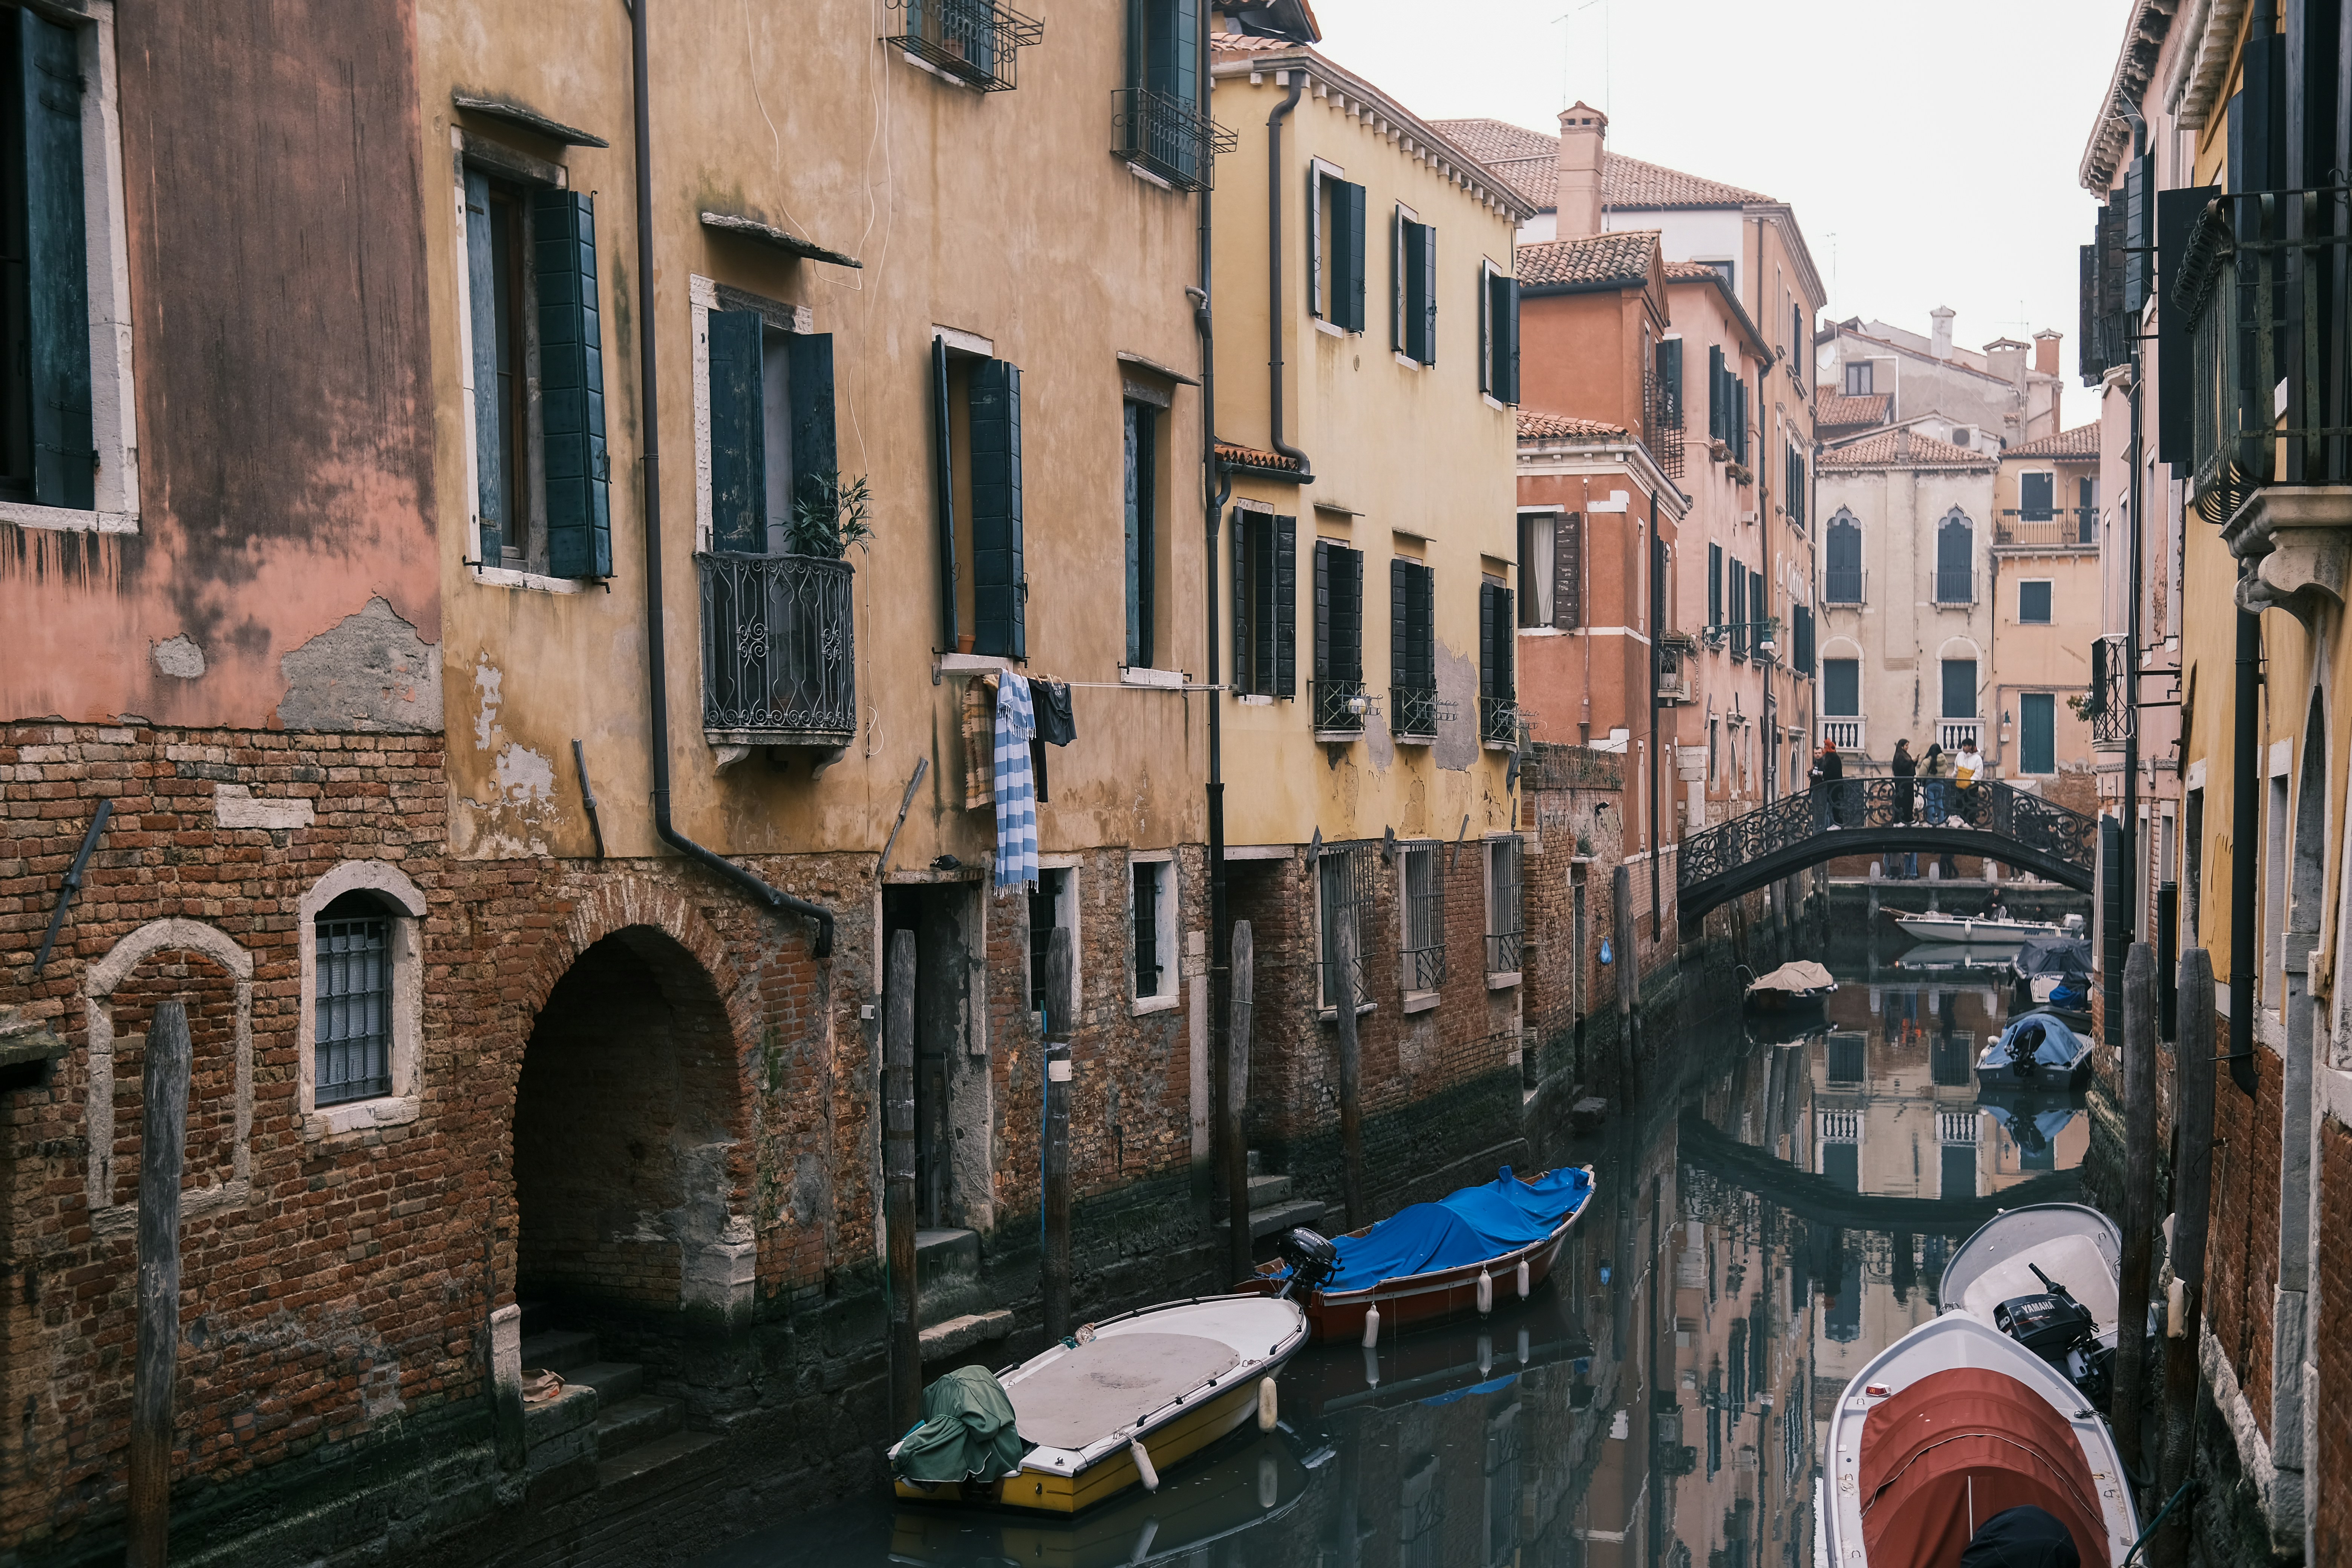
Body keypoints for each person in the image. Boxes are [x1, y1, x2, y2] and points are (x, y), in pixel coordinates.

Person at [1890, 739, 1919, 877]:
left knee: (1909, 801)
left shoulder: (1904, 755)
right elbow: (1902, 766)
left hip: (1908, 783)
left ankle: (1908, 818)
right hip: (1902, 784)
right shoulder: (1899, 756)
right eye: (1907, 745)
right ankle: (1899, 820)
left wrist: (1914, 761)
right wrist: (1912, 761)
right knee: (1902, 801)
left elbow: (1909, 766)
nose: (1908, 747)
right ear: (1902, 746)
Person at [1810, 738, 1844, 831]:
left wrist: (1823, 774)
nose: (1824, 749)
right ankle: (1836, 824)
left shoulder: (1833, 758)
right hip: (1833, 787)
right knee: (1833, 806)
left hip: (1835, 787)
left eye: (1825, 747)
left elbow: (1832, 773)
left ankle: (1838, 824)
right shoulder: (1832, 757)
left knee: (1836, 805)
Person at [1953, 738, 1985, 826]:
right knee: (1960, 804)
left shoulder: (1977, 759)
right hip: (1960, 786)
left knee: (1971, 805)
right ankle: (1961, 821)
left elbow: (1979, 773)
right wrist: (1953, 777)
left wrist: (1970, 782)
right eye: (1963, 746)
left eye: (1965, 746)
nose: (1963, 747)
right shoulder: (1960, 755)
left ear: (1970, 746)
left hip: (1972, 788)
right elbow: (1956, 769)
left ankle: (1970, 823)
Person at [1920, 743, 1948, 828]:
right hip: (1941, 784)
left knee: (1931, 802)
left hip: (1930, 783)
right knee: (1940, 802)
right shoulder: (1944, 761)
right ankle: (1941, 821)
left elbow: (1922, 774)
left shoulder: (1927, 761)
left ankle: (1931, 821)